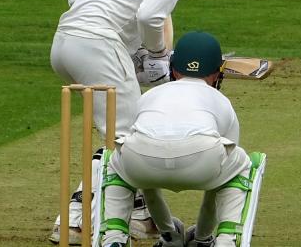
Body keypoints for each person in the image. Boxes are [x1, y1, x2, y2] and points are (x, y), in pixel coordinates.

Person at [48, 0, 209, 244]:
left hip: (65, 43)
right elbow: (151, 15)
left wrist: (141, 57)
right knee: (128, 137)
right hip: (96, 43)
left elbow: (125, 13)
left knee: (120, 132)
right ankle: (79, 222)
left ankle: (135, 213)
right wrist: (156, 55)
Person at [97, 31, 255, 247]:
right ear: (216, 73)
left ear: (173, 69)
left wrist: (168, 230)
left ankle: (115, 237)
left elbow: (146, 177)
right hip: (202, 159)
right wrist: (201, 235)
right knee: (240, 165)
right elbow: (219, 183)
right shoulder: (220, 100)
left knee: (117, 160)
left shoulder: (150, 95)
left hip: (141, 160)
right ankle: (223, 241)